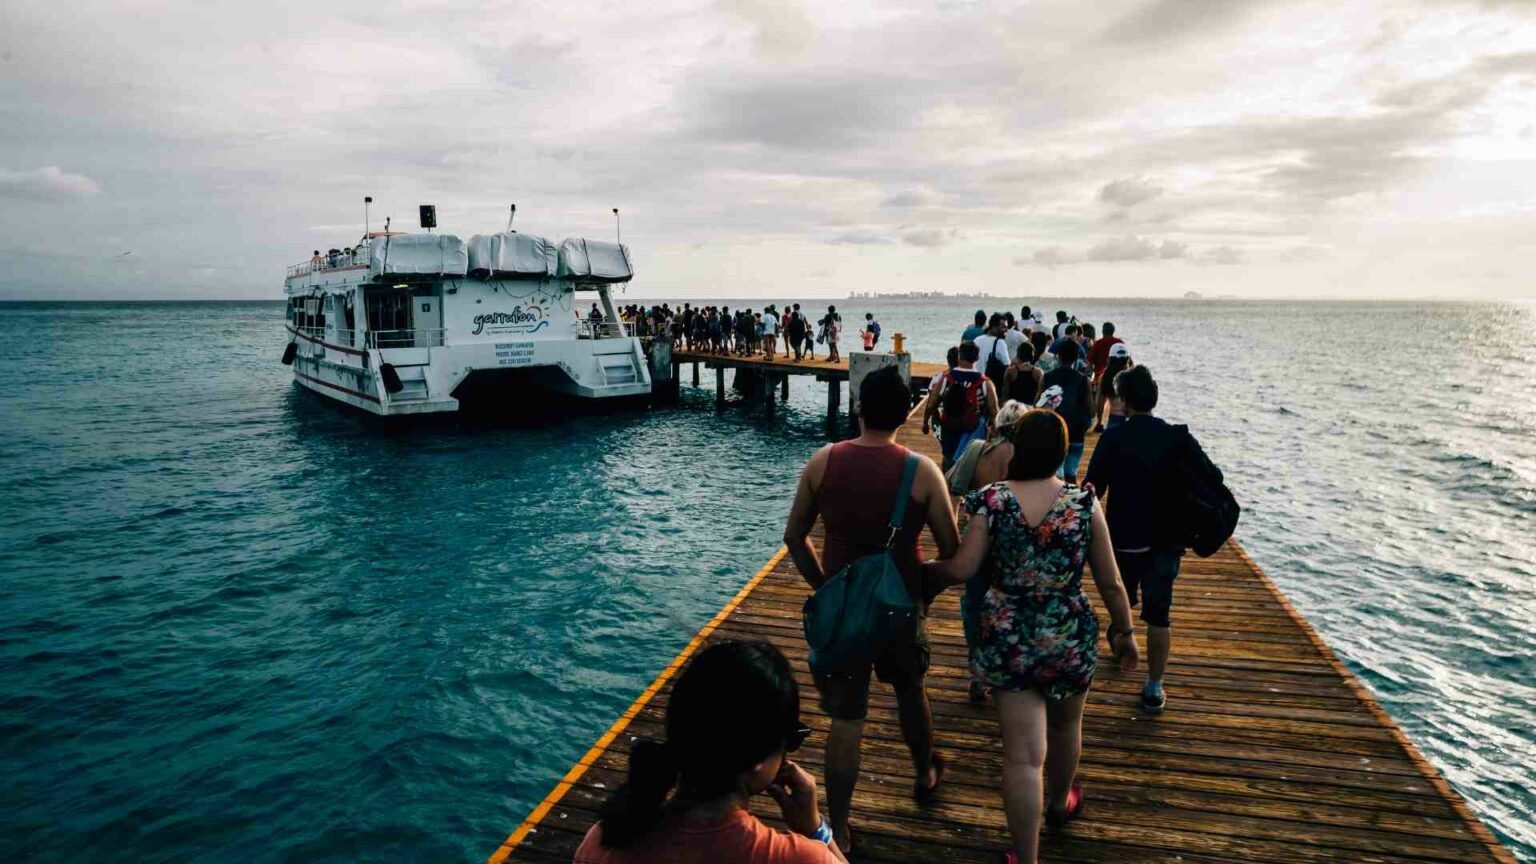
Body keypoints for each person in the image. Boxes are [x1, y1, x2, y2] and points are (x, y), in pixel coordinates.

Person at [926, 409, 1139, 864]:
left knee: (1024, 758)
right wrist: (1124, 632)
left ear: (1017, 448)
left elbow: (963, 569)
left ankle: (1026, 856)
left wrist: (923, 573)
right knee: (1066, 727)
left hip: (1009, 635)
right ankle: (1060, 802)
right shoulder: (1084, 504)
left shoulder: (991, 500)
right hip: (1068, 632)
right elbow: (1111, 582)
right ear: (1063, 452)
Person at [783, 367, 961, 854]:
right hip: (900, 608)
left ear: (858, 408)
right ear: (906, 413)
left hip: (842, 611)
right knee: (910, 691)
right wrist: (926, 593)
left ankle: (838, 827)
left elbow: (794, 538)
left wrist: (825, 586)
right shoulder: (921, 473)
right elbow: (951, 550)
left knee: (846, 721)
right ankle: (924, 771)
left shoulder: (823, 462)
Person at [576, 641, 846, 864]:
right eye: (790, 740)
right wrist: (814, 829)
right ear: (758, 759)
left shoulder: (602, 842)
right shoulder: (800, 858)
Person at [1085, 365, 1222, 715]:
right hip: (1168, 538)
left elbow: (1092, 491)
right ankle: (1154, 686)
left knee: (1123, 603)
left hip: (1125, 539)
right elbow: (1213, 477)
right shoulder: (1177, 438)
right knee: (1160, 615)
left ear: (1125, 401)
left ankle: (1121, 641)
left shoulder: (1114, 438)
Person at [922, 341, 999, 470]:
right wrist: (995, 432)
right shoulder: (985, 382)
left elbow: (931, 404)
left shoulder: (946, 378)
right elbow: (994, 410)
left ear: (959, 357)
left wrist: (925, 422)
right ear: (977, 358)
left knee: (948, 458)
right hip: (973, 429)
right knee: (972, 462)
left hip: (949, 426)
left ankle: (946, 484)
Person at [1041, 340, 1091, 480]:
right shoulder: (1083, 380)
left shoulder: (1047, 377)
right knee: (1071, 474)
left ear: (1058, 356)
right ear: (1076, 358)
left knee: (1055, 475)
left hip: (1054, 431)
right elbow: (1090, 410)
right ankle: (1072, 498)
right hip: (1076, 432)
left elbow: (1037, 406)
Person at [1095, 343, 1134, 432]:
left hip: (1114, 419)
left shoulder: (1105, 377)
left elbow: (1100, 403)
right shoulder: (1133, 376)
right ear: (1128, 359)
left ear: (1109, 359)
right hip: (1132, 419)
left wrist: (1099, 422)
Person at [973, 315, 1012, 390]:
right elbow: (1007, 368)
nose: (1006, 330)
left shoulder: (977, 340)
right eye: (1003, 327)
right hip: (990, 387)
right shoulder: (999, 343)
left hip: (975, 384)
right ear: (994, 327)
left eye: (1007, 327)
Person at [1004, 342, 1044, 407]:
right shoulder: (1038, 372)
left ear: (1018, 354)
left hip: (1014, 408)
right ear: (1032, 355)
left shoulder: (1010, 371)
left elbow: (1005, 394)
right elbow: (1041, 394)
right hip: (1031, 409)